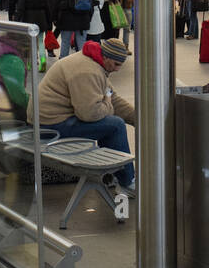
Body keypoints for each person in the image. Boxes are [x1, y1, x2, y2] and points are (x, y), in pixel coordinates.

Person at [37, 37, 136, 194]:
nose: (117, 69)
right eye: (116, 65)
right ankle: (127, 181)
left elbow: (112, 97)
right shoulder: (88, 71)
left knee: (108, 124)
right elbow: (89, 114)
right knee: (115, 125)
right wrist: (107, 104)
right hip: (50, 125)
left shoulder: (94, 62)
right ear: (106, 57)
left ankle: (112, 174)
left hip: (50, 118)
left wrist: (138, 119)